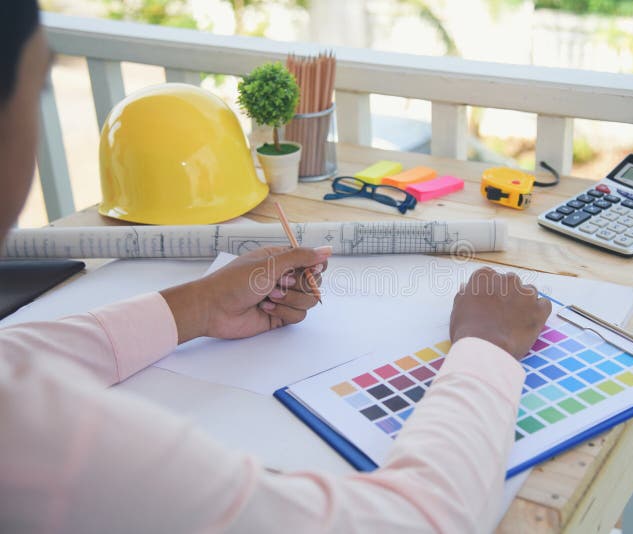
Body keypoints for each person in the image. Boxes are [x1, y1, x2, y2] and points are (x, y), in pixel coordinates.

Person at [0, 2, 552, 532]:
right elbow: (415, 523)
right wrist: (486, 347)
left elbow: (16, 357)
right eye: (41, 81)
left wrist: (201, 305)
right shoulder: (43, 441)